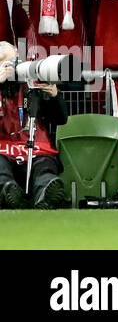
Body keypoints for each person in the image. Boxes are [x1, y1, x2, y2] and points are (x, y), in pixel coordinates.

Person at [0, 42, 67, 208]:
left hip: (36, 148)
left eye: (14, 62)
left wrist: (54, 96)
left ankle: (46, 192)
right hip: (3, 151)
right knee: (1, 170)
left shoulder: (31, 82)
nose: (11, 69)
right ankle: (7, 192)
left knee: (44, 167)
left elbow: (61, 119)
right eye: (5, 64)